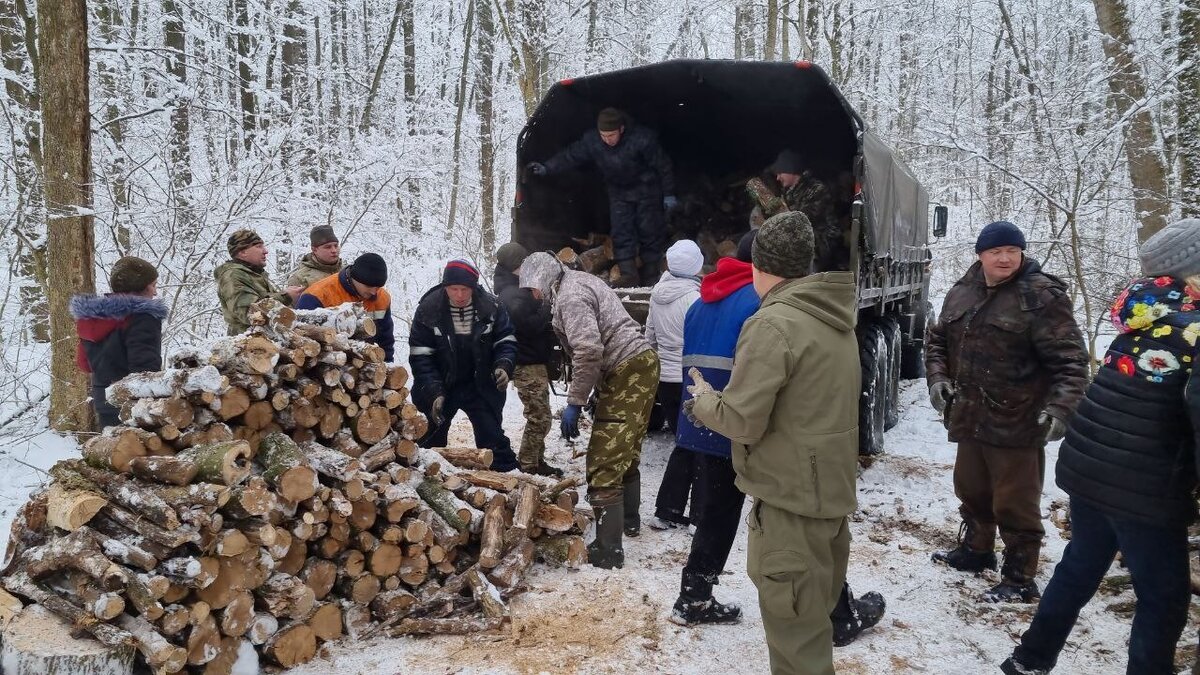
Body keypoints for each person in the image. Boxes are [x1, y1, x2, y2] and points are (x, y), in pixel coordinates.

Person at [1001, 218, 1200, 675]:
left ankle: (1029, 660)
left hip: (1093, 469)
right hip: (1144, 485)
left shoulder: (1144, 311)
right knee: (1164, 596)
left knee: (1080, 566)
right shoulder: (1193, 327)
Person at [667, 230, 885, 647]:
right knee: (804, 527)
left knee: (717, 513)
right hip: (755, 433)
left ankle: (694, 595)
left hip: (707, 423)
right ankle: (838, 616)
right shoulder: (766, 306)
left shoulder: (701, 302)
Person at [925, 220, 1089, 602]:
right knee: (972, 489)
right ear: (980, 255)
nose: (1004, 258)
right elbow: (936, 341)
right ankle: (977, 551)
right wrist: (937, 378)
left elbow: (1071, 362)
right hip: (968, 414)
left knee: (1015, 502)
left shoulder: (1041, 297)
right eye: (996, 251)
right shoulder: (962, 291)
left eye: (1012, 251)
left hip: (1018, 419)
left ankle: (1019, 577)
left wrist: (1061, 409)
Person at [519, 251, 660, 568]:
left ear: (542, 278)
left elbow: (588, 349)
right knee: (623, 446)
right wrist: (596, 391)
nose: (532, 295)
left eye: (532, 288)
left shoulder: (570, 296)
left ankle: (609, 551)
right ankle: (628, 520)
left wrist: (575, 401)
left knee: (603, 459)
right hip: (634, 366)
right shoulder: (577, 282)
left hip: (628, 368)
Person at [526, 107, 676, 286]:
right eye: (603, 135)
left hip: (646, 190)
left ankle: (651, 275)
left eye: (611, 135)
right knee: (621, 231)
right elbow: (571, 155)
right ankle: (629, 274)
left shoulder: (642, 139)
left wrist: (669, 194)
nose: (607, 140)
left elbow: (664, 166)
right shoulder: (593, 141)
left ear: (621, 129)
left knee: (649, 230)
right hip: (618, 192)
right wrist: (547, 167)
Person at [409, 260, 519, 473]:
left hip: (480, 384)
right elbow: (421, 356)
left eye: (464, 289)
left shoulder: (492, 307)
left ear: (474, 287)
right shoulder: (428, 309)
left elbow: (506, 341)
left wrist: (504, 364)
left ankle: (509, 477)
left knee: (493, 437)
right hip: (441, 383)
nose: (459, 295)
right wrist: (433, 391)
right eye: (453, 289)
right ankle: (423, 480)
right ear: (445, 287)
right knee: (429, 439)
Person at [70, 256, 168, 429]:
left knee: (113, 452)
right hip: (134, 403)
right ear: (140, 287)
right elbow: (145, 368)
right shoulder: (142, 316)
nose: (155, 292)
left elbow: (84, 364)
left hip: (103, 400)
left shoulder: (92, 317)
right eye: (153, 285)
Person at [493, 242, 562, 477]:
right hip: (526, 364)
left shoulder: (515, 289)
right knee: (539, 417)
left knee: (541, 415)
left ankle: (535, 460)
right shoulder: (513, 295)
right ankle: (528, 464)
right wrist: (545, 307)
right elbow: (529, 327)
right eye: (523, 262)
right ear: (516, 265)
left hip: (531, 361)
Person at [646, 239, 702, 530]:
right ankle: (697, 516)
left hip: (665, 380)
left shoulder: (657, 294)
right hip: (689, 378)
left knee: (684, 443)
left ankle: (667, 510)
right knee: (699, 445)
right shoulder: (695, 299)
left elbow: (650, 338)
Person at [746, 150, 846, 271]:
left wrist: (779, 212)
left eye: (780, 173)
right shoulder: (788, 192)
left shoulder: (816, 189)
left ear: (791, 170)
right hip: (802, 238)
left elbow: (803, 219)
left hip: (823, 239)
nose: (777, 178)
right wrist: (766, 208)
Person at [295, 253, 396, 361]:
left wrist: (387, 363)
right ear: (354, 278)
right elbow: (302, 337)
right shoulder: (317, 295)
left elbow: (386, 338)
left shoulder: (382, 298)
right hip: (326, 362)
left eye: (378, 287)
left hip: (365, 363)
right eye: (369, 286)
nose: (374, 292)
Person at [215, 229, 301, 335]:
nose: (265, 251)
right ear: (242, 252)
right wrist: (286, 296)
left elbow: (266, 303)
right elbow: (249, 313)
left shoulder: (254, 275)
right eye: (258, 246)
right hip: (248, 345)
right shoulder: (233, 276)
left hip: (263, 341)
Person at [287, 225, 345, 290]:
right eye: (328, 247)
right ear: (314, 250)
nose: (334, 250)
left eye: (336, 246)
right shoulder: (300, 279)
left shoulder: (348, 272)